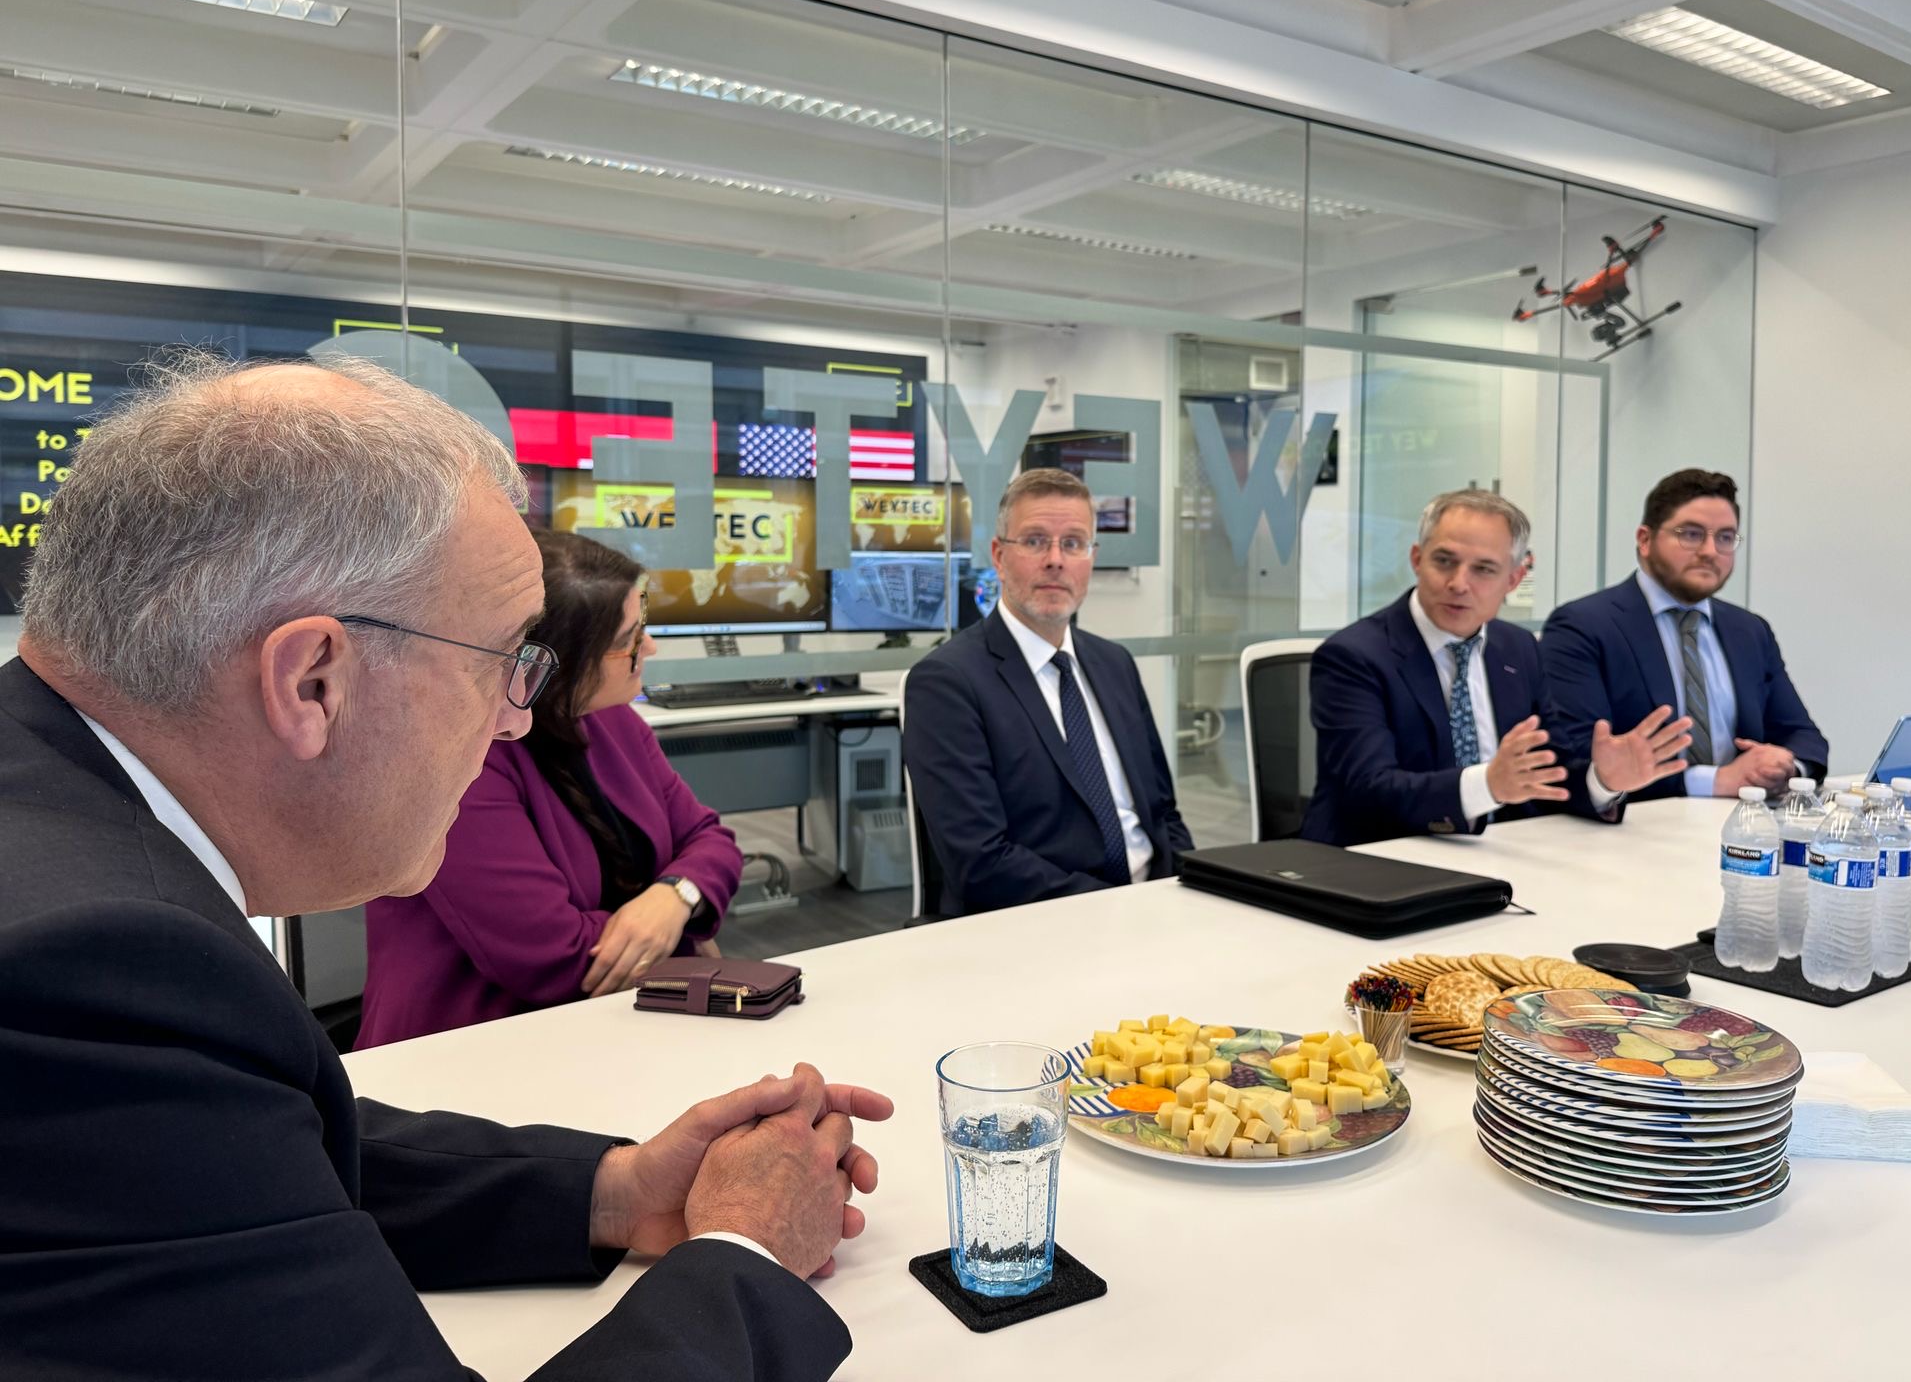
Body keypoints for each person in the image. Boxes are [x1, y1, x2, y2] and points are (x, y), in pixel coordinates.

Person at [0, 352, 887, 1380]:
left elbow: (250, 1146)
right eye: (504, 663)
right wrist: (744, 1254)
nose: (517, 718)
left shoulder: (56, 825)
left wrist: (616, 1189)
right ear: (313, 679)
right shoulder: (88, 971)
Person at [359, 531, 740, 1047]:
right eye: (628, 640)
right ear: (564, 660)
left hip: (621, 1027)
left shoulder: (613, 721)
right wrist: (686, 935)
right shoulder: (460, 756)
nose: (648, 647)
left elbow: (711, 838)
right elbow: (550, 957)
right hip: (475, 1056)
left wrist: (674, 899)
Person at [1300, 489, 1692, 846]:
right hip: (1381, 862)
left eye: (1483, 569)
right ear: (1417, 560)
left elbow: (1544, 770)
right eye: (1444, 561)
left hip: (1502, 857)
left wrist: (1603, 780)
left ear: (1514, 578)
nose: (1458, 583)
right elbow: (1369, 791)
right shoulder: (1353, 656)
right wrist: (1486, 786)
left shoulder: (1518, 649)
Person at [904, 467, 1192, 916]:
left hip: (1156, 911)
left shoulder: (1115, 664)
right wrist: (1121, 910)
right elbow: (980, 863)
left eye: (1073, 543)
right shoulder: (947, 683)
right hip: (1042, 929)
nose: (1056, 559)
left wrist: (1187, 893)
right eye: (1036, 541)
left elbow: (1163, 814)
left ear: (1091, 558)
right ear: (999, 557)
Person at [1542, 469, 1828, 802]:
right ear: (1645, 540)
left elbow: (1804, 737)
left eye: (1725, 537)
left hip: (1742, 826)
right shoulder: (1583, 626)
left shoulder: (1749, 630)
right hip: (1634, 832)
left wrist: (1785, 767)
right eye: (1691, 534)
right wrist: (1715, 781)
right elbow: (1577, 763)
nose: (1710, 550)